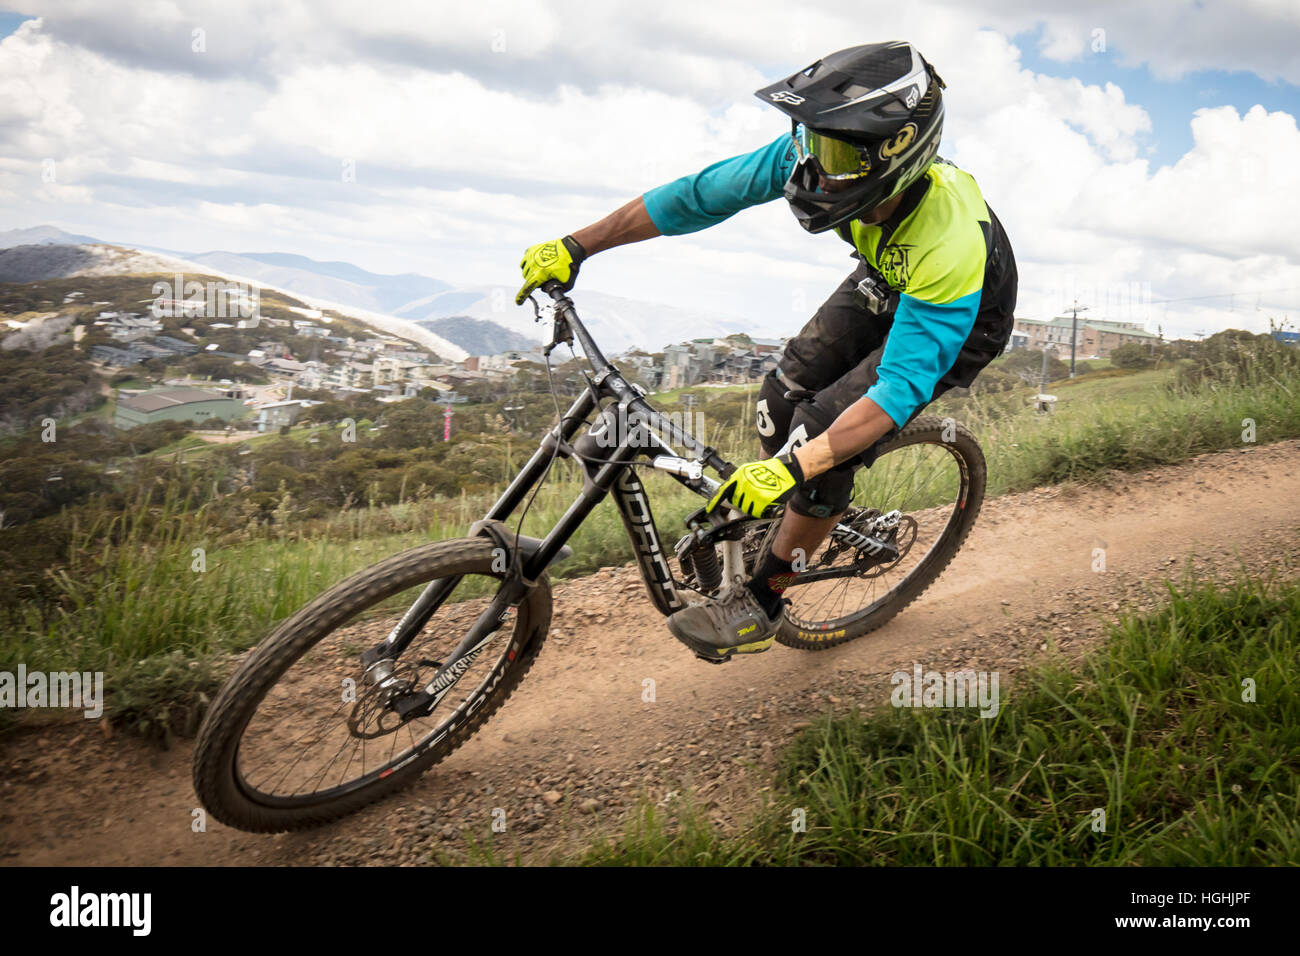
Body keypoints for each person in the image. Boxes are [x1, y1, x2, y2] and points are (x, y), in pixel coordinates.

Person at [516, 41, 1018, 661]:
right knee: (779, 396)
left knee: (819, 440)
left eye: (830, 149)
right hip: (891, 275)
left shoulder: (948, 244)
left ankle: (767, 597)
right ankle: (793, 515)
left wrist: (793, 467)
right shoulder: (812, 157)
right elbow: (696, 197)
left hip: (964, 314)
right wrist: (577, 245)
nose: (807, 163)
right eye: (805, 137)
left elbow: (895, 393)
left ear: (896, 152)